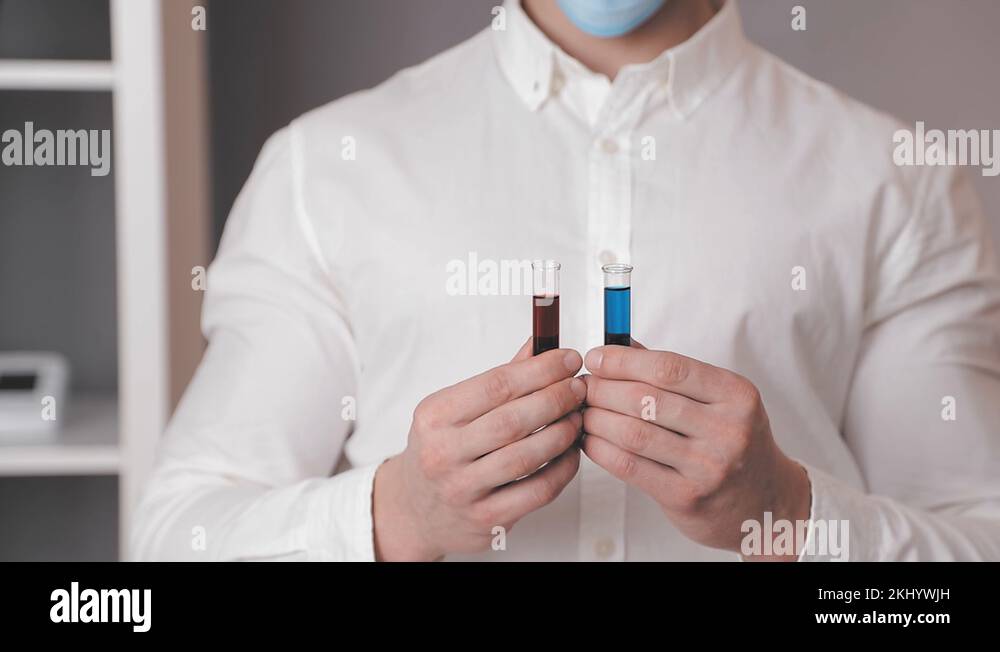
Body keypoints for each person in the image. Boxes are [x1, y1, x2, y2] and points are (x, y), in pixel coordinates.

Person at [132, 0, 1000, 561]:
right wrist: (397, 516)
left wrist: (789, 516)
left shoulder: (897, 178)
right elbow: (174, 541)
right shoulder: (322, 169)